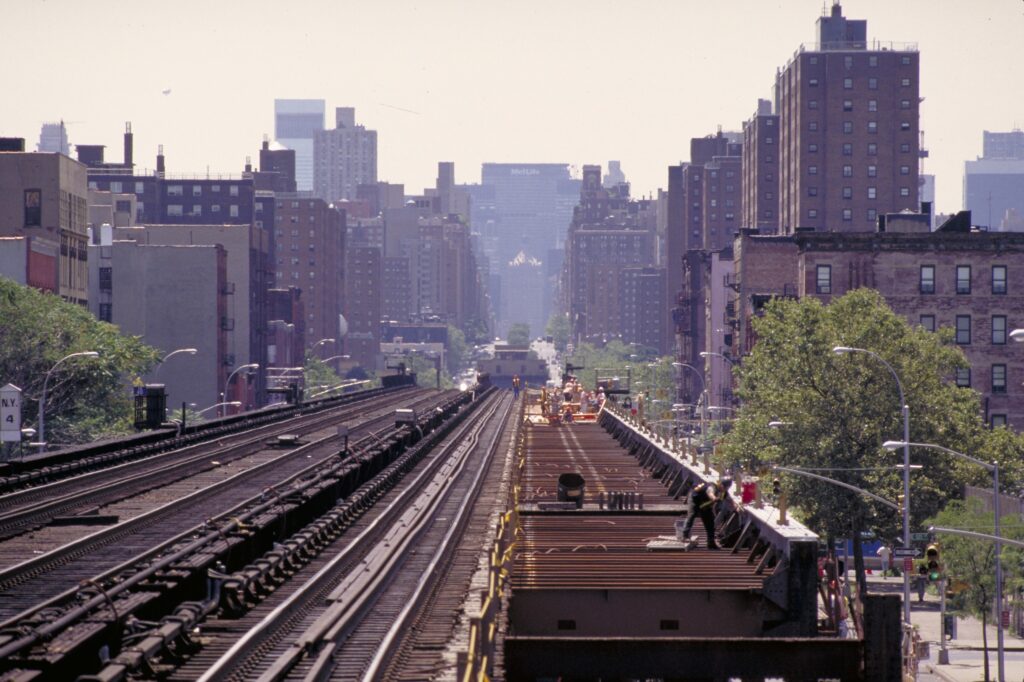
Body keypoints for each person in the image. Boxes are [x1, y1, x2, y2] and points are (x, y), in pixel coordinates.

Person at [680, 477, 732, 550]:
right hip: (695, 499)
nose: (724, 489)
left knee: (710, 522)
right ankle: (685, 535)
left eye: (726, 487)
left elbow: (730, 500)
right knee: (692, 515)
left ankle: (711, 543)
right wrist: (714, 498)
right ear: (720, 484)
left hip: (705, 503)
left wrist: (737, 506)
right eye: (723, 486)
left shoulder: (724, 492)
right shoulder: (712, 486)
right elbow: (709, 492)